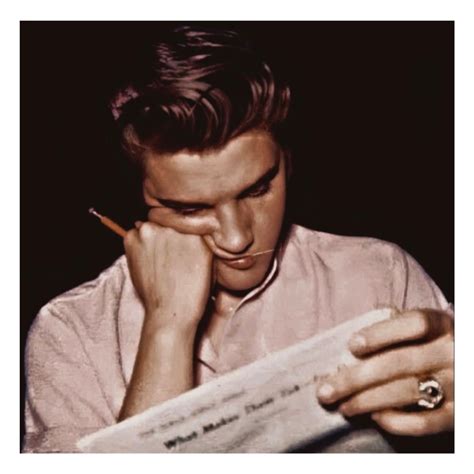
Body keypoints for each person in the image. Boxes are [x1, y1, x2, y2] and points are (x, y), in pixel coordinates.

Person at [23, 26, 453, 453]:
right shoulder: (70, 332)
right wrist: (168, 326)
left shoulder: (379, 274)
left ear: (287, 161)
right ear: (137, 203)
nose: (236, 238)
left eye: (258, 189)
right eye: (190, 209)